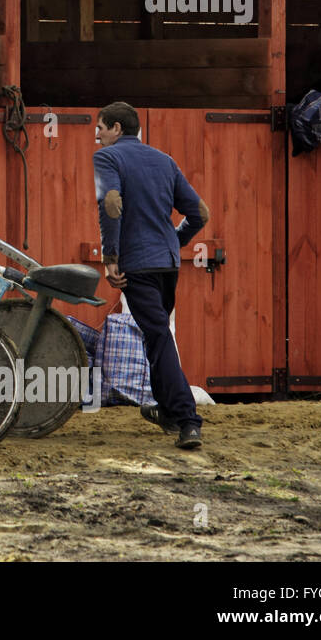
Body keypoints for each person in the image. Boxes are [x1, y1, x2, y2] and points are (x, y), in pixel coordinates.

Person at [93, 102, 209, 450]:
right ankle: (169, 412)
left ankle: (188, 420)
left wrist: (110, 257)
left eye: (99, 127)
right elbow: (200, 213)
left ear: (116, 127)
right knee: (154, 334)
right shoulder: (164, 160)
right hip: (167, 264)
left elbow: (111, 203)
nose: (96, 135)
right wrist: (174, 241)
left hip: (138, 266)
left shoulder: (108, 158)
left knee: (157, 335)